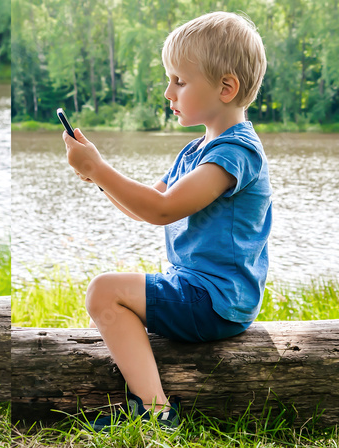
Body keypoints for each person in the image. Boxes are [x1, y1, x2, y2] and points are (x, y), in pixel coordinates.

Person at [63, 11, 271, 431]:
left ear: (225, 87)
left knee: (104, 292)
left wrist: (102, 169)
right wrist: (97, 176)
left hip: (216, 300)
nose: (167, 91)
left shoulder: (235, 154)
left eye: (179, 80)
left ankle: (155, 412)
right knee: (110, 292)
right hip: (201, 292)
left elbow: (162, 210)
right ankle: (151, 404)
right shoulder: (197, 150)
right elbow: (153, 203)